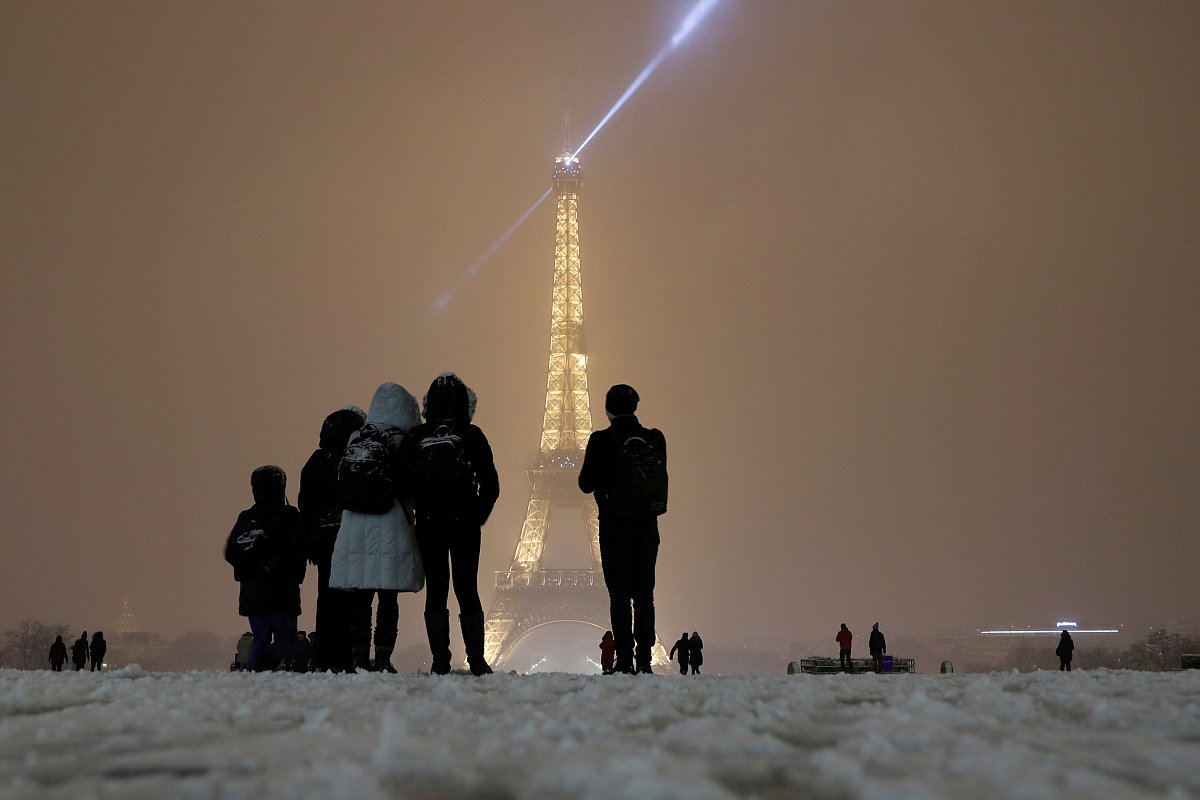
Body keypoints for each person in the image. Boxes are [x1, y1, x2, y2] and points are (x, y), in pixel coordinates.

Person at [397, 372, 499, 676]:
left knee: (436, 592)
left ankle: (440, 660)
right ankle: (477, 660)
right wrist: (476, 515)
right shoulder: (472, 435)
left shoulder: (416, 437)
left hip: (430, 523)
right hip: (464, 523)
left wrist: (418, 510)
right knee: (467, 588)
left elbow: (401, 484)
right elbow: (491, 485)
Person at [330, 382, 425, 673]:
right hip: (390, 524)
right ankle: (383, 658)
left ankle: (359, 658)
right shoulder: (404, 440)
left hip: (355, 526)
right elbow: (411, 486)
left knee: (361, 598)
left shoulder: (357, 437)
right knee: (388, 598)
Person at [579, 384, 667, 675]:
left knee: (619, 598)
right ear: (635, 406)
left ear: (608, 409)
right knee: (645, 596)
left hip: (614, 527)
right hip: (647, 528)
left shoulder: (602, 440)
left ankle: (625, 660)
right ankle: (645, 660)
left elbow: (585, 484)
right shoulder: (654, 438)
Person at [299, 406, 366, 672]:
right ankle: (345, 657)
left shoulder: (316, 462)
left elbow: (306, 504)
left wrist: (309, 541)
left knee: (326, 599)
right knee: (353, 603)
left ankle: (322, 656)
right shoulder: (356, 458)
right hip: (351, 536)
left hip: (325, 539)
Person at [224, 465, 306, 671]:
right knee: (285, 641)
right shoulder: (290, 515)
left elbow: (231, 553)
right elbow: (298, 550)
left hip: (253, 591)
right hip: (282, 591)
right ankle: (261, 671)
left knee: (260, 639)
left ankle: (254, 676)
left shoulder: (246, 517)